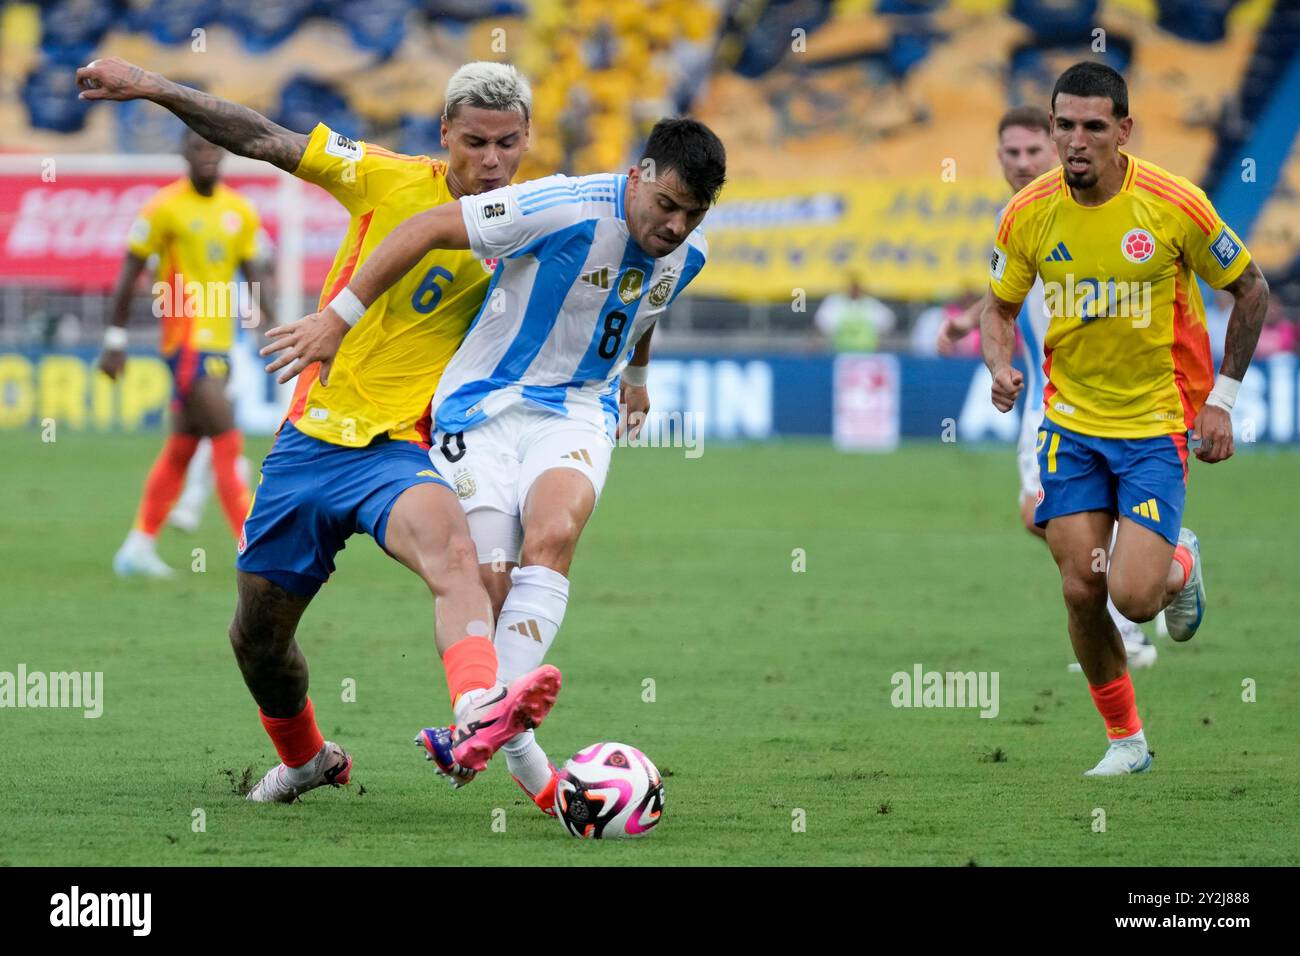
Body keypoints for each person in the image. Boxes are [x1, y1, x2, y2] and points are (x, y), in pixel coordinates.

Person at [77, 56, 561, 802]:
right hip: (307, 447)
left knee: (454, 554)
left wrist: (632, 375)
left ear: (526, 140)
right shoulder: (383, 175)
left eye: (507, 144)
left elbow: (640, 258)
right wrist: (155, 87)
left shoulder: (537, 224)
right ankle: (306, 760)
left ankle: (475, 711)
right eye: (475, 142)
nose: (492, 161)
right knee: (257, 639)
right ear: (445, 135)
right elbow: (266, 138)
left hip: (398, 451)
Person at [262, 117, 726, 806]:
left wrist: (636, 378)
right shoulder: (560, 203)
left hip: (575, 410)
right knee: (492, 583)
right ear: (639, 177)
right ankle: (528, 764)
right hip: (483, 403)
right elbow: (422, 230)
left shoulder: (688, 255)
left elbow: (644, 307)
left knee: (556, 534)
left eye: (693, 215)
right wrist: (337, 318)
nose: (676, 226)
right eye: (667, 207)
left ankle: (476, 726)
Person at [980, 62, 1268, 775]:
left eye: (1093, 127)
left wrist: (1221, 402)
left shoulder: (1175, 205)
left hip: (1155, 424)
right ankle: (1126, 742)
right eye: (1064, 126)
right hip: (1070, 426)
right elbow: (999, 306)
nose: (1075, 142)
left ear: (1123, 131)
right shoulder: (1027, 213)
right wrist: (998, 366)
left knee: (1133, 600)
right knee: (1081, 586)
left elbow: (1251, 288)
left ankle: (1179, 560)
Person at [939, 105, 1154, 670]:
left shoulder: (1087, 205)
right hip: (1046, 396)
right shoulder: (1021, 216)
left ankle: (1150, 583)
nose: (1022, 162)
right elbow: (1007, 295)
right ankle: (1151, 568)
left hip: (1101, 398)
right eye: (1011, 153)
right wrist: (970, 326)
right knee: (1040, 516)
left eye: (1033, 150)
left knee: (1052, 512)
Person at [100, 130, 266, 578]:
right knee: (228, 441)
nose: (208, 156)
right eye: (199, 148)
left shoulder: (239, 210)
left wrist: (269, 330)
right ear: (184, 154)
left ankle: (137, 546)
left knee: (182, 448)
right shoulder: (163, 208)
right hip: (186, 344)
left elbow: (252, 277)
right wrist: (115, 341)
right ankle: (254, 551)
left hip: (221, 345)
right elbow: (130, 271)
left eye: (214, 148)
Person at [815, 274, 895, 352]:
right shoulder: (835, 303)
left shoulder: (870, 304)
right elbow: (822, 321)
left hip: (867, 352)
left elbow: (888, 320)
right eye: (852, 287)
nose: (854, 290)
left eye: (856, 287)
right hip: (841, 351)